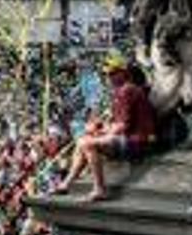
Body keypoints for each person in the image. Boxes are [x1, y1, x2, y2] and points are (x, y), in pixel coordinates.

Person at [62, 57, 157, 202]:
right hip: (130, 136)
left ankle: (100, 189)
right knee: (81, 141)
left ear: (123, 73)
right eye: (107, 74)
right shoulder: (122, 91)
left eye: (113, 73)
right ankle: (66, 183)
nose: (109, 77)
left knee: (87, 143)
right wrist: (100, 128)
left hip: (137, 140)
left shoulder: (127, 90)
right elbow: (117, 122)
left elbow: (123, 126)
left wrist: (101, 132)